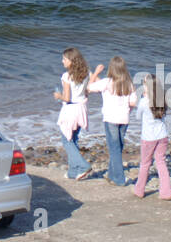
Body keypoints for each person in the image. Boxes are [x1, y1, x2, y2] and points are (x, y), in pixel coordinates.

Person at [88, 56, 136, 185]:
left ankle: (119, 179)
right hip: (124, 119)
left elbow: (89, 87)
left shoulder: (107, 82)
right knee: (118, 147)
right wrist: (127, 111)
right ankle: (111, 174)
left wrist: (95, 73)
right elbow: (133, 102)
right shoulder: (128, 84)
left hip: (111, 119)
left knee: (114, 148)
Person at [53, 47, 92, 181]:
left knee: (66, 140)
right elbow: (87, 91)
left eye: (64, 59)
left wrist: (59, 95)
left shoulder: (66, 76)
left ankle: (82, 165)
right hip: (81, 108)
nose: (62, 61)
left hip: (71, 109)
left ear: (71, 61)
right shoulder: (86, 73)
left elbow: (67, 98)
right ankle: (72, 171)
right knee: (74, 138)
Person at [133, 72, 171, 199]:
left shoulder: (144, 102)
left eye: (144, 83)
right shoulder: (161, 98)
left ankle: (139, 190)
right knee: (161, 162)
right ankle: (166, 192)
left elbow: (137, 116)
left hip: (148, 137)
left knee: (145, 164)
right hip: (162, 135)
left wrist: (140, 98)